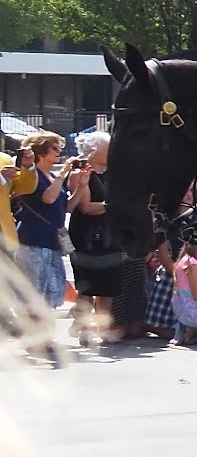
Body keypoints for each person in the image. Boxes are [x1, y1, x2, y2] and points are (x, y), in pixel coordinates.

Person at [63, 135, 125, 345]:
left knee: (108, 285)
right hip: (86, 235)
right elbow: (86, 207)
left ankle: (103, 328)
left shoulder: (113, 173)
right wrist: (115, 206)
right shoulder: (79, 173)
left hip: (110, 233)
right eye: (107, 149)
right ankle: (83, 328)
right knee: (87, 285)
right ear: (93, 151)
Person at [9, 133, 69, 311]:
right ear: (41, 151)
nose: (60, 152)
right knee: (34, 289)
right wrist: (63, 175)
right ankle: (33, 332)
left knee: (52, 288)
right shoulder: (34, 176)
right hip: (35, 238)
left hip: (53, 238)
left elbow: (66, 206)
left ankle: (44, 332)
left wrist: (81, 184)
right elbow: (48, 198)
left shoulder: (52, 175)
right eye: (54, 148)